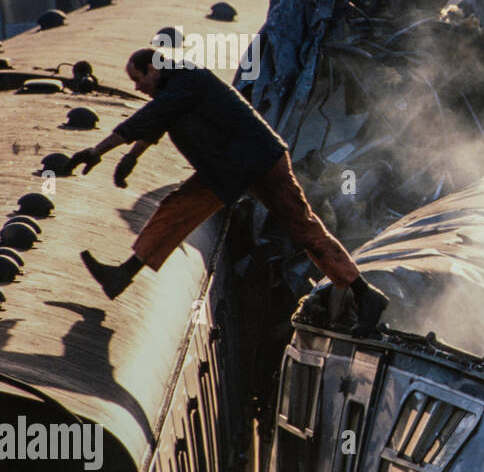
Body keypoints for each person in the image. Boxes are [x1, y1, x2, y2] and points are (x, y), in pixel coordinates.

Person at [68, 48, 389, 333]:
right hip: (231, 167)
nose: (136, 87)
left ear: (153, 70)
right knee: (177, 208)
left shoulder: (187, 80)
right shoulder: (176, 86)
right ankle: (124, 274)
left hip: (255, 162)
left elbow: (154, 115)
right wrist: (130, 156)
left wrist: (99, 151)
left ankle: (364, 294)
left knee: (303, 229)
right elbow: (160, 119)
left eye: (137, 79)